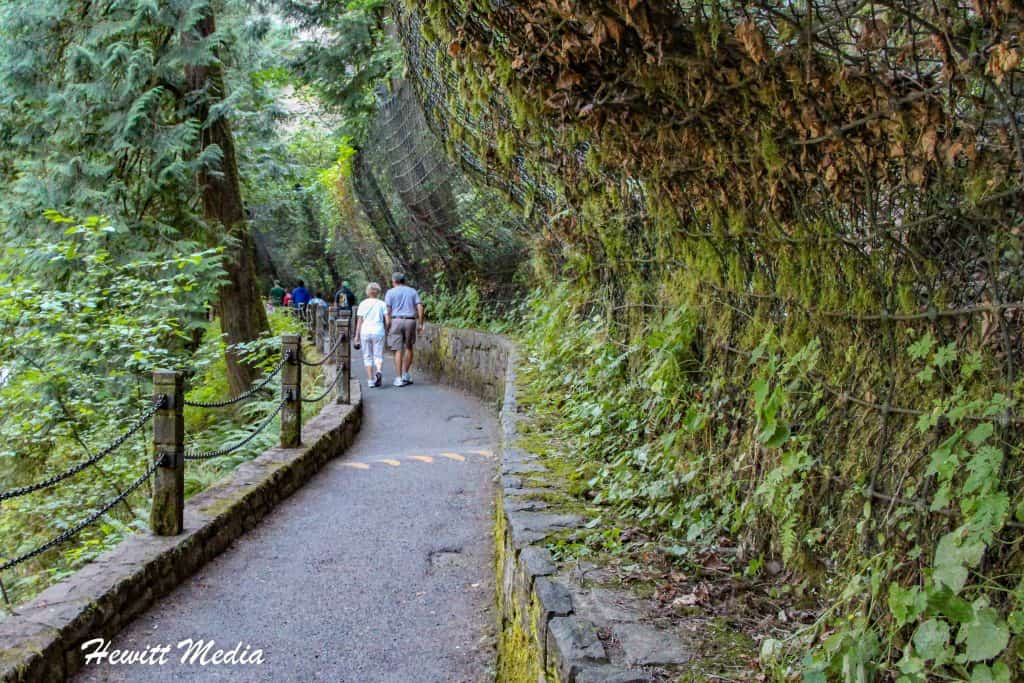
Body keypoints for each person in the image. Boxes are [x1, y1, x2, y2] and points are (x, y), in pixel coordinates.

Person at [384, 272, 424, 387]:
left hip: (396, 320)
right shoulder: (412, 291)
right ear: (404, 281)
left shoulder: (390, 292)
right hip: (410, 321)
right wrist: (420, 323)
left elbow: (388, 310)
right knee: (409, 347)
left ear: (393, 281)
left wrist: (387, 325)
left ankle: (398, 378)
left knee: (397, 350)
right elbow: (420, 307)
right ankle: (406, 373)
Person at [354, 283, 388, 388]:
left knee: (367, 356)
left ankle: (370, 380)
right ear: (378, 292)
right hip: (378, 330)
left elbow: (359, 321)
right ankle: (378, 371)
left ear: (368, 292)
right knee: (378, 355)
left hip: (365, 331)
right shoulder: (382, 304)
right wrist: (386, 330)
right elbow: (387, 320)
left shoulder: (363, 303)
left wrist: (356, 336)